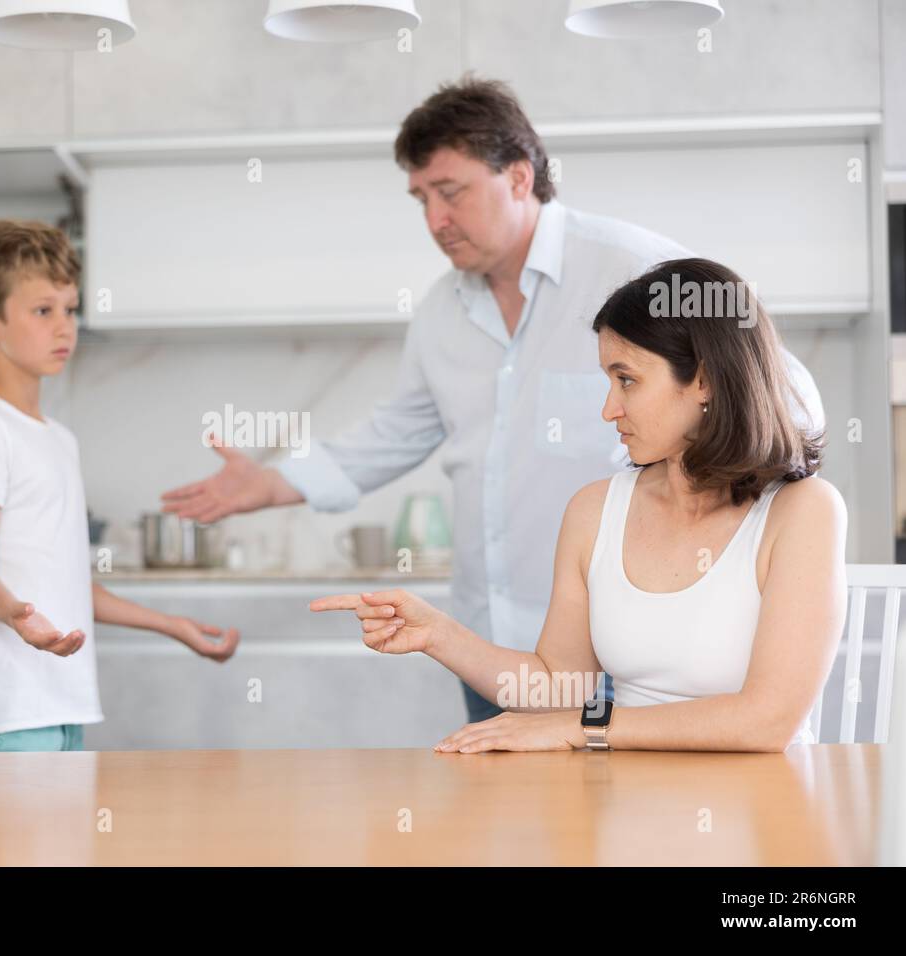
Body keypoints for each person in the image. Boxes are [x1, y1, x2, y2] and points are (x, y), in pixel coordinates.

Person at [161, 76, 824, 725]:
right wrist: (272, 482)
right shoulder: (440, 315)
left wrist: (710, 502)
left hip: (630, 655)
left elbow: (780, 396)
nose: (435, 220)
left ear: (518, 177)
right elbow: (393, 434)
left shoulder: (631, 271)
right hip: (498, 648)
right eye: (420, 199)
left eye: (450, 192)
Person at [311, 259, 846, 753]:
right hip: (628, 803)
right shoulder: (594, 511)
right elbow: (559, 686)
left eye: (627, 380)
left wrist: (587, 728)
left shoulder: (802, 512)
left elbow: (768, 721)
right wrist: (440, 635)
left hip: (764, 814)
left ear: (703, 380)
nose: (609, 407)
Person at [0, 219, 240, 753]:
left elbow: (65, 588)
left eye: (70, 309)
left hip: (58, 704)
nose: (65, 327)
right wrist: (21, 617)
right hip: (0, 712)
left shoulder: (58, 439)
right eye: (43, 311)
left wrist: (171, 625)